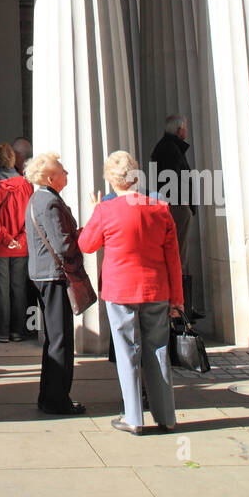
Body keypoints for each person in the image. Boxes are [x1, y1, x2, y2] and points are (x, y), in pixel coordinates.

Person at [79, 150, 184, 434]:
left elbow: (86, 244)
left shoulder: (106, 210)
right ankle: (166, 416)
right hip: (156, 288)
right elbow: (173, 259)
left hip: (120, 290)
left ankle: (134, 417)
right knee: (159, 351)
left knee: (128, 352)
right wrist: (178, 299)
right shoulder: (159, 208)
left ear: (111, 179)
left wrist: (94, 212)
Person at [24, 151, 86, 416]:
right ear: (51, 177)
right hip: (52, 276)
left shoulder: (42, 199)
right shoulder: (48, 201)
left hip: (45, 274)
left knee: (54, 339)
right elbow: (62, 244)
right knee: (60, 340)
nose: (67, 174)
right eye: (62, 170)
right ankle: (57, 400)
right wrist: (87, 234)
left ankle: (49, 397)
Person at [150, 114, 197, 317]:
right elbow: (176, 180)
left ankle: (181, 303)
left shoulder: (167, 147)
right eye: (185, 128)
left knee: (179, 254)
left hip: (175, 204)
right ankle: (180, 305)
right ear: (178, 130)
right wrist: (185, 204)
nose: (186, 131)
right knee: (179, 255)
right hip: (176, 206)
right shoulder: (170, 149)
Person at [0, 143, 33, 342]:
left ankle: (2, 331)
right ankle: (18, 330)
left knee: (0, 290)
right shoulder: (26, 184)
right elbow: (31, 217)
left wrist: (5, 238)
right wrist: (19, 239)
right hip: (21, 245)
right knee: (19, 288)